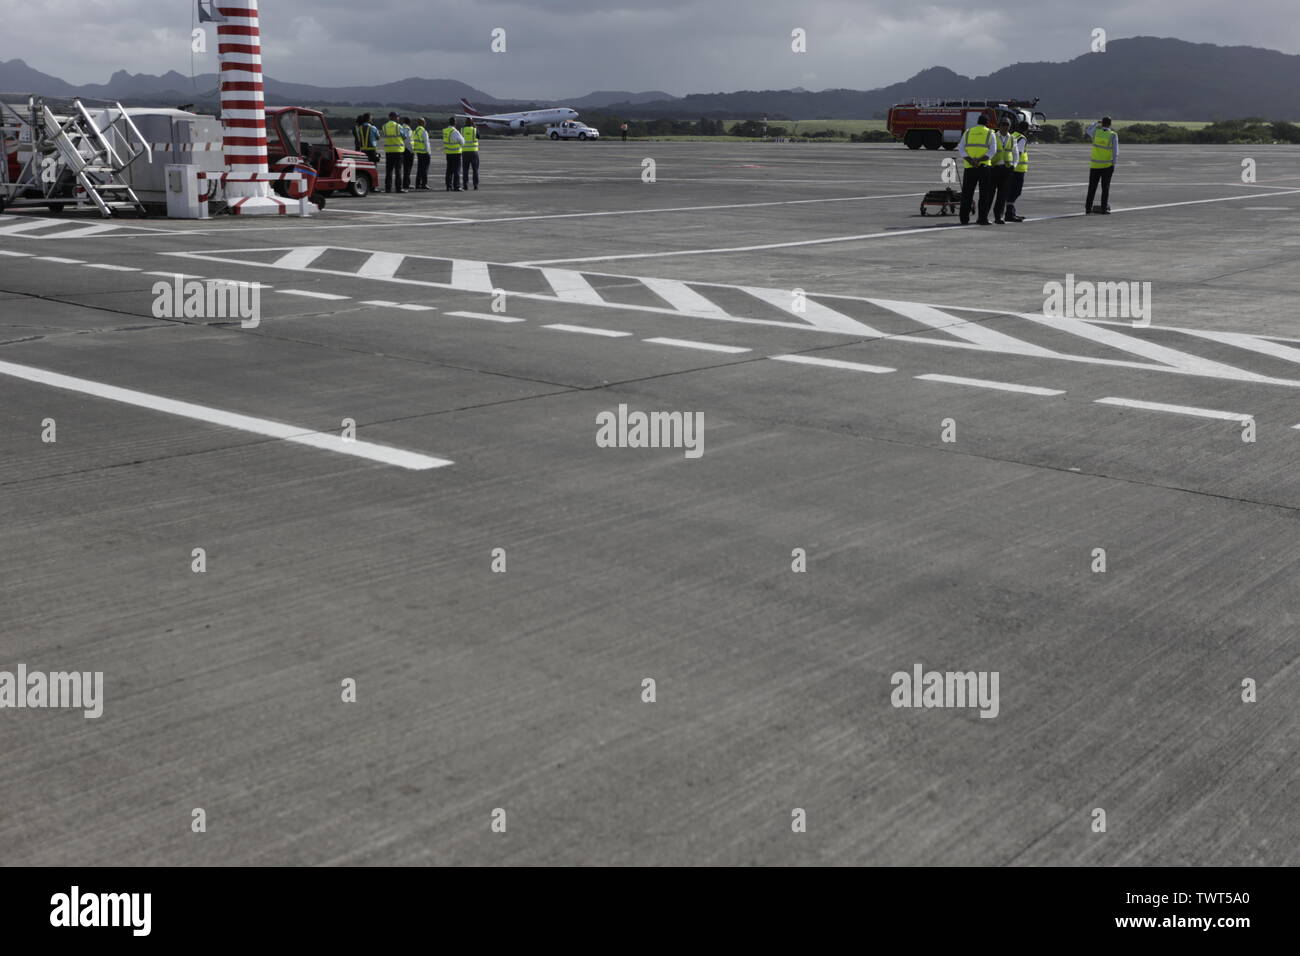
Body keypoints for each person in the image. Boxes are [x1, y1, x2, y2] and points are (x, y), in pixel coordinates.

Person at [957, 114, 995, 225]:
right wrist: (979, 160)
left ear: (977, 122)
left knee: (967, 194)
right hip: (984, 167)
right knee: (984, 195)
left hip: (969, 167)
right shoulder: (990, 133)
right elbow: (992, 151)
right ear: (987, 123)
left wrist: (971, 160)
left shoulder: (968, 132)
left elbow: (961, 148)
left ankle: (964, 219)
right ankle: (982, 219)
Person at [1085, 116, 1118, 214]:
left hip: (1095, 165)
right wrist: (1113, 164)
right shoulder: (1113, 135)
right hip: (1107, 166)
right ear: (1110, 124)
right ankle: (1104, 208)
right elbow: (1115, 152)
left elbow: (1088, 130)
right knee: (1105, 188)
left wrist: (1095, 122)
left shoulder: (1096, 132)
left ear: (1102, 123)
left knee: (1092, 188)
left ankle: (1088, 208)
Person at [989, 116, 1016, 224]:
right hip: (994, 167)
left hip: (1006, 169)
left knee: (1002, 195)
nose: (1005, 127)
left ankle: (998, 217)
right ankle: (984, 216)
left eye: (1007, 125)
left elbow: (1015, 153)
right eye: (1003, 125)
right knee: (989, 194)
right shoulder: (993, 136)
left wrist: (1014, 164)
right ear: (999, 126)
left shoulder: (1012, 138)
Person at [1003, 121, 1030, 222]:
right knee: (1015, 192)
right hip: (1017, 169)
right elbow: (1017, 152)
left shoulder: (1013, 135)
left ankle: (1011, 212)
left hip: (1009, 167)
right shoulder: (1022, 138)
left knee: (1010, 191)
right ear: (1026, 129)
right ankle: (1009, 214)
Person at [381, 111, 406, 193]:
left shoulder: (384, 126)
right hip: (398, 151)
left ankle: (388, 188)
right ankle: (398, 188)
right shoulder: (398, 126)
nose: (398, 118)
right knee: (398, 171)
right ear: (394, 117)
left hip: (388, 151)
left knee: (389, 171)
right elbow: (404, 136)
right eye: (397, 117)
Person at [442, 117, 464, 191]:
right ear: (455, 123)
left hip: (448, 153)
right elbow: (462, 142)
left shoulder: (445, 131)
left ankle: (448, 186)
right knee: (456, 171)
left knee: (449, 170)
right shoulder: (455, 131)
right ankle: (456, 186)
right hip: (456, 153)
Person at [411, 118, 431, 190]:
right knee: (425, 169)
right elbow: (426, 143)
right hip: (425, 152)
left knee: (419, 169)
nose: (425, 123)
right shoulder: (423, 131)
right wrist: (428, 151)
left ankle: (417, 184)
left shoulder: (415, 131)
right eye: (424, 122)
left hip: (419, 152)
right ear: (422, 123)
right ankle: (424, 184)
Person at [460, 119, 479, 190]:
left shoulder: (462, 130)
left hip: (465, 152)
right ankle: (475, 185)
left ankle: (465, 185)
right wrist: (475, 127)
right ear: (472, 123)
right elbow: (478, 136)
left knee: (465, 170)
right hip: (474, 152)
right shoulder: (474, 130)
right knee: (475, 170)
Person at [399, 116, 415, 190]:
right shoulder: (407, 129)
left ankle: (407, 183)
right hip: (408, 150)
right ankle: (406, 184)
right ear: (409, 122)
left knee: (406, 168)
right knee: (407, 168)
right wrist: (411, 150)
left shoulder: (402, 127)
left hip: (404, 149)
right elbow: (407, 140)